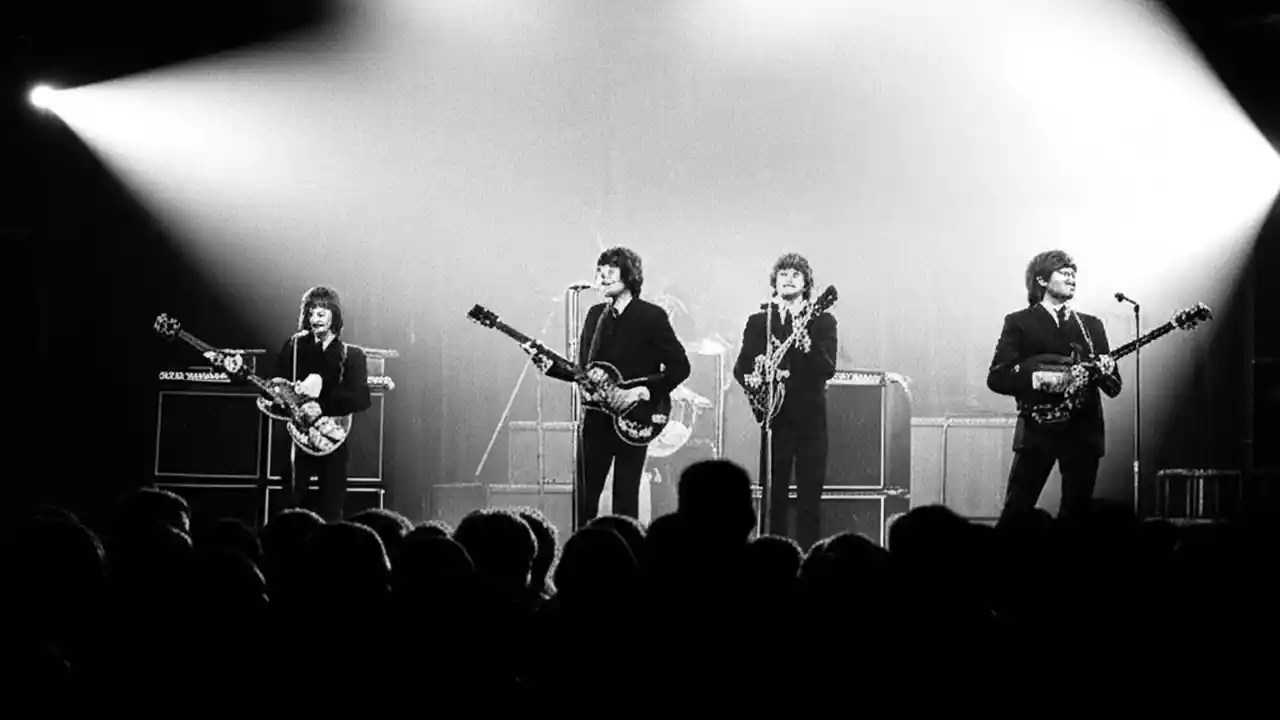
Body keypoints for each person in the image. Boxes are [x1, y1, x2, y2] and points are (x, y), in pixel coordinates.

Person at [525, 247, 690, 527]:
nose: (602, 276)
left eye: (611, 270)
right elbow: (583, 372)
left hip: (635, 416)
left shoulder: (651, 316)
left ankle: (627, 560)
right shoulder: (594, 315)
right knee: (585, 499)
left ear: (629, 275)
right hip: (596, 419)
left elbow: (680, 367)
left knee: (625, 501)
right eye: (600, 270)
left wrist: (642, 391)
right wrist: (548, 365)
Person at [987, 250, 1121, 522]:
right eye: (1063, 272)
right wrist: (1038, 378)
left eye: (1074, 274)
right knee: (1018, 510)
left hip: (1083, 431)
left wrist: (1107, 372)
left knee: (1077, 517)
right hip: (1038, 430)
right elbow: (997, 376)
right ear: (1042, 281)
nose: (1072, 278)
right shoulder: (1019, 322)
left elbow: (1114, 387)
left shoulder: (1091, 325)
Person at [733, 253, 837, 550]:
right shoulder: (759, 321)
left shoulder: (822, 320)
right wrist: (752, 380)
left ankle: (809, 557)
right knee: (773, 497)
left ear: (806, 284)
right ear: (774, 283)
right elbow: (741, 366)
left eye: (795, 274)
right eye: (783, 274)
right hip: (774, 421)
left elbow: (827, 368)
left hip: (810, 422)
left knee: (808, 501)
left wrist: (807, 347)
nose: (788, 279)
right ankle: (771, 558)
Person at [267, 286, 372, 522]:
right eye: (311, 313)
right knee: (290, 503)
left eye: (322, 313)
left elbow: (362, 398)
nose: (315, 318)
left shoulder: (352, 355)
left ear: (334, 316)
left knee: (332, 505)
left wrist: (323, 406)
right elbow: (275, 382)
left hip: (332, 437)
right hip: (297, 436)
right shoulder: (293, 348)